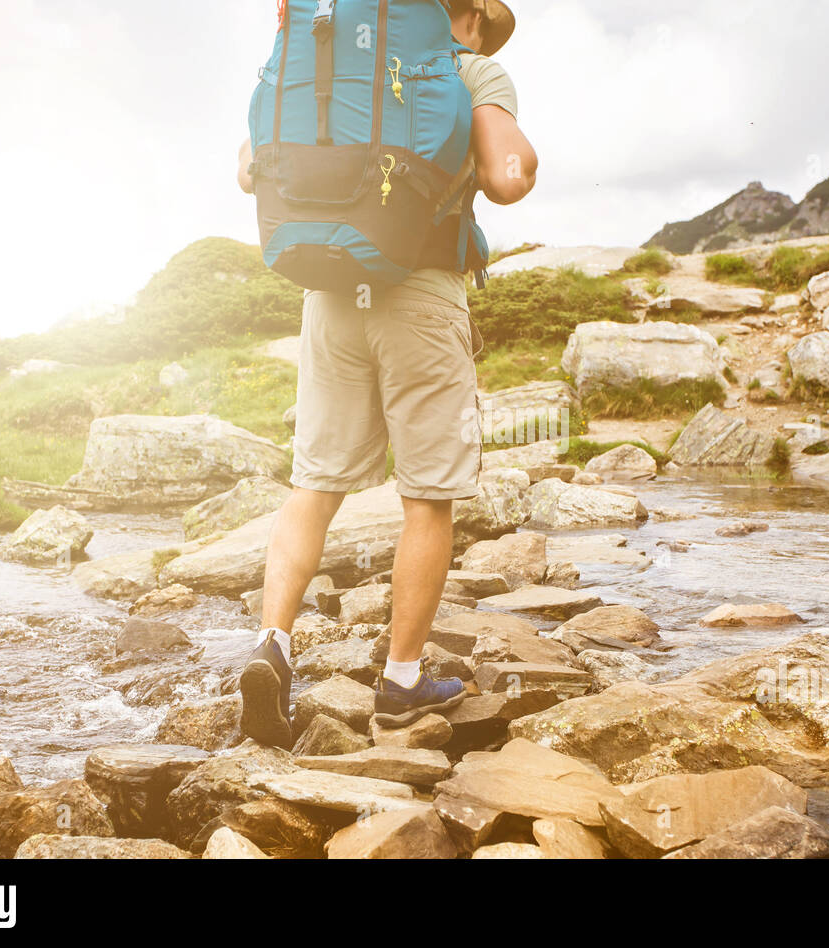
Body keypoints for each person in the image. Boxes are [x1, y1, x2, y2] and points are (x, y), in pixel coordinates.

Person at [235, 0, 536, 747]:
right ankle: (401, 681)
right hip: (420, 294)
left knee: (316, 482)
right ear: (464, 18)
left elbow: (248, 171)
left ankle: (272, 644)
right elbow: (507, 177)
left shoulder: (331, 67)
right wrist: (515, 161)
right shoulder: (474, 71)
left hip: (331, 297)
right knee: (429, 496)